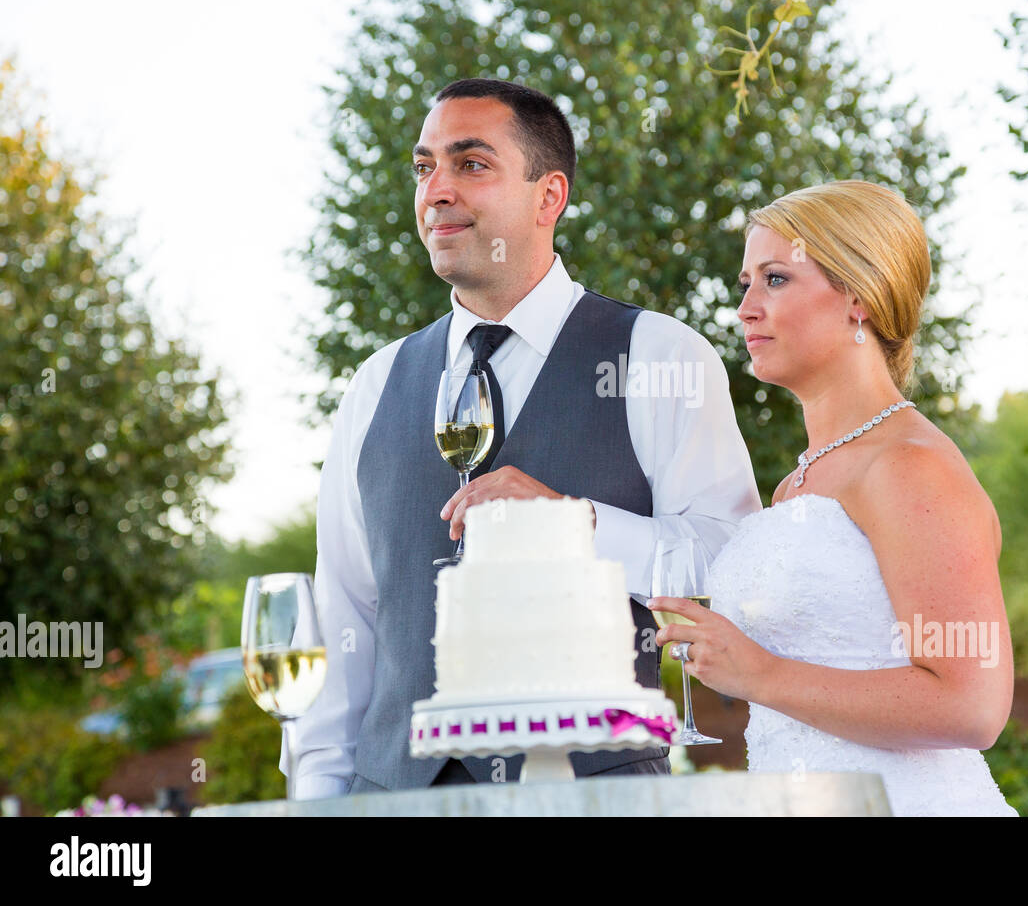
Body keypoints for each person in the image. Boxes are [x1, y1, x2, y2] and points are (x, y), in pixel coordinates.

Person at [286, 78, 762, 798]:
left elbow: (732, 567)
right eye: (424, 168)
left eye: (471, 164)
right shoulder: (376, 385)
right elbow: (345, 616)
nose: (437, 189)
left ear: (550, 198)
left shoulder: (662, 357)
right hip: (393, 801)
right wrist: (319, 805)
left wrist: (577, 526)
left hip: (596, 799)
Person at [649, 180, 1019, 816]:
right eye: (746, 284)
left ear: (858, 297)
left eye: (776, 279)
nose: (745, 308)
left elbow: (973, 706)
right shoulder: (797, 483)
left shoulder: (908, 466)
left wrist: (758, 673)